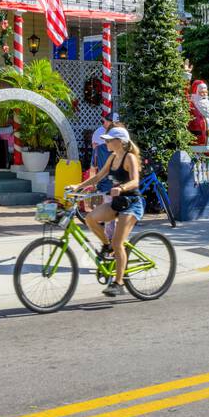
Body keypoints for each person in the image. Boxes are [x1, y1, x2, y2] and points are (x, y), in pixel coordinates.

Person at [72, 125, 143, 297]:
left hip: (132, 204)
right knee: (90, 219)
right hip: (117, 203)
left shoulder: (130, 158)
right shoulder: (112, 157)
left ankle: (119, 283)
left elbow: (135, 182)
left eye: (109, 140)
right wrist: (78, 187)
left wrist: (122, 187)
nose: (106, 142)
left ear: (120, 142)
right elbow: (98, 176)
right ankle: (106, 245)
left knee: (119, 244)